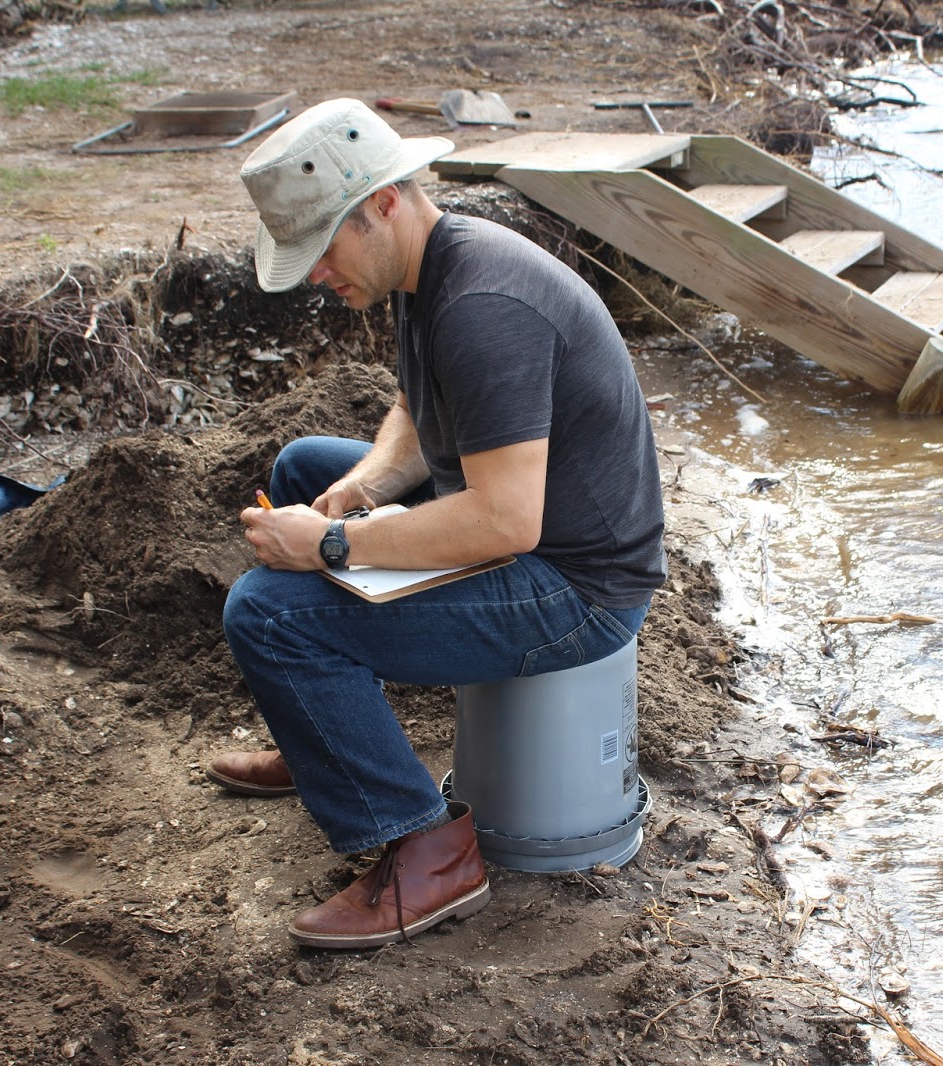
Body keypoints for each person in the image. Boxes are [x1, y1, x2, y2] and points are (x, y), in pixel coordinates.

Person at [211, 99, 667, 950]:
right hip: (531, 530)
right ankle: (328, 745)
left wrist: (333, 545)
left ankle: (431, 857)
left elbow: (503, 520)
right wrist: (359, 491)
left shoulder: (483, 306)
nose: (316, 276)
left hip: (576, 591)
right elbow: (417, 411)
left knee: (265, 616)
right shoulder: (430, 266)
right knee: (307, 469)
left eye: (322, 249)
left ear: (383, 203)